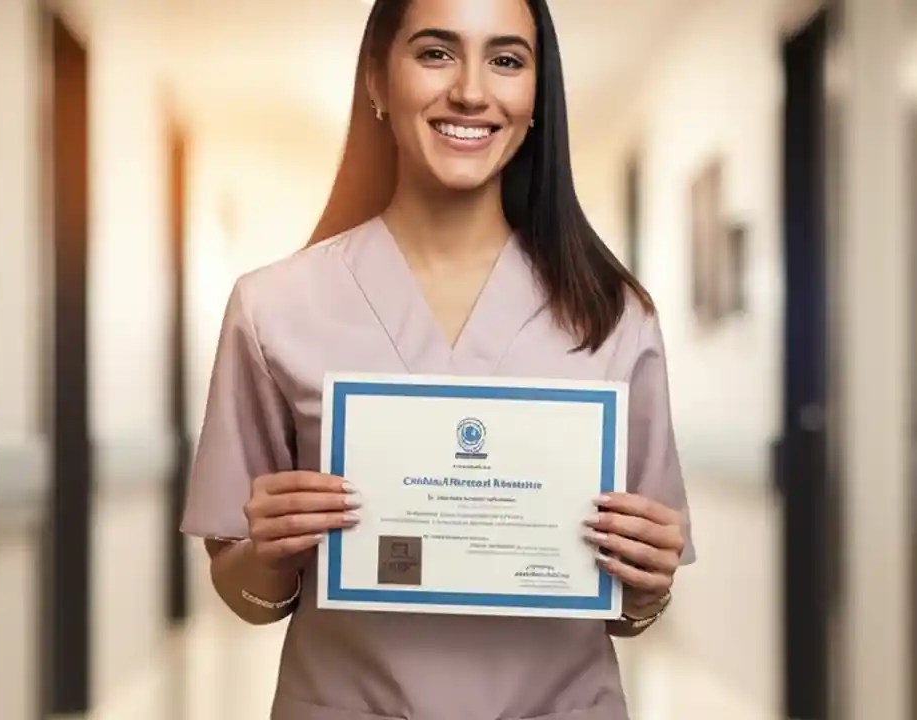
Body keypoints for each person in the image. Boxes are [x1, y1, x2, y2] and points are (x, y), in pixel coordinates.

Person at [181, 0, 695, 717]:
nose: (473, 91)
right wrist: (269, 553)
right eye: (436, 53)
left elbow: (630, 607)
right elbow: (246, 597)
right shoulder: (274, 307)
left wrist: (646, 586)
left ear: (538, 95)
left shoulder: (615, 316)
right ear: (376, 80)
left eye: (508, 60)